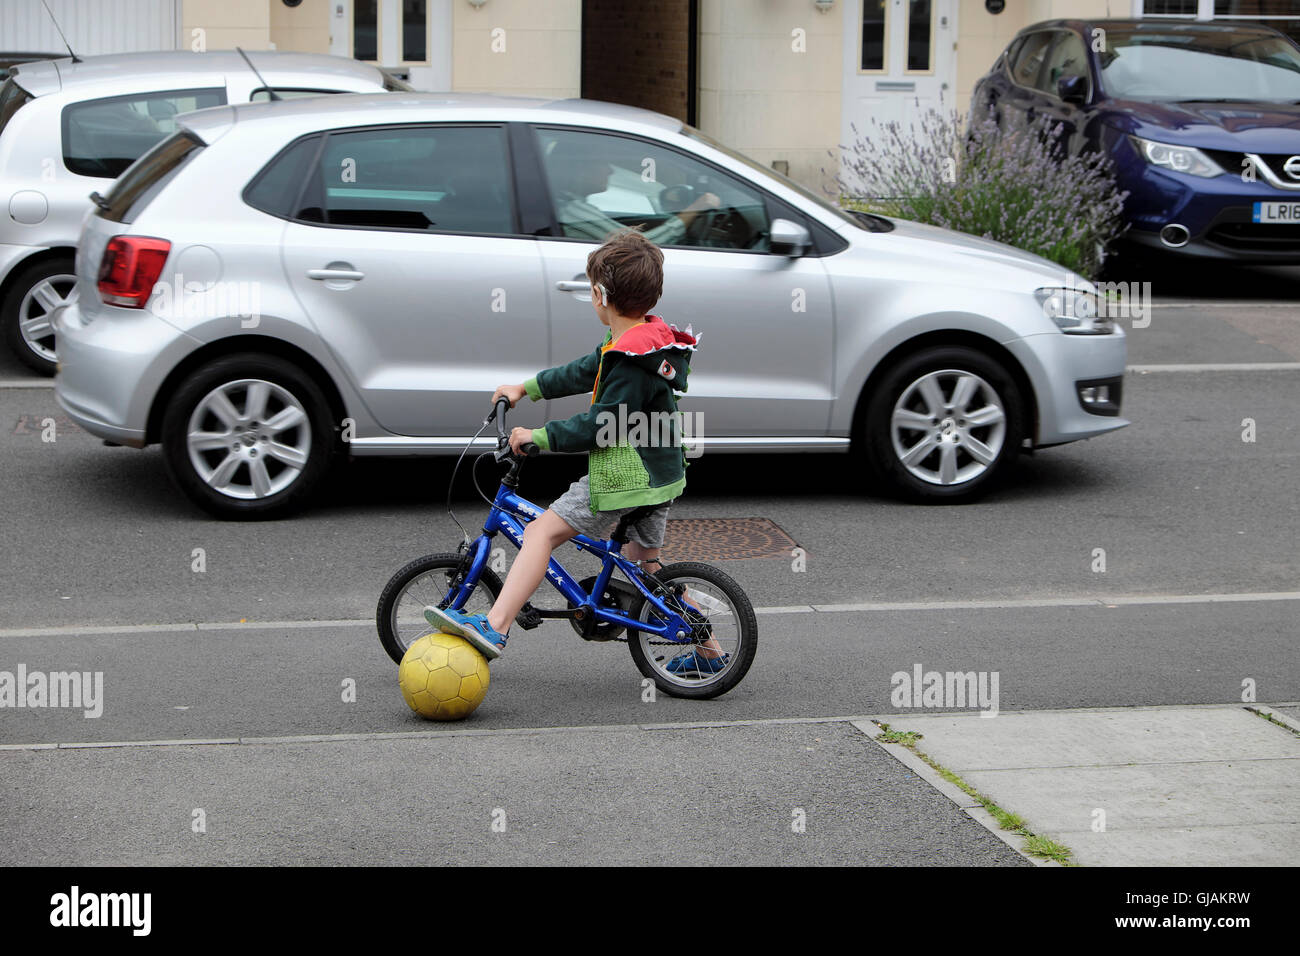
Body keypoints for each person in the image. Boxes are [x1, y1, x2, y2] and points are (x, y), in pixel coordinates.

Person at [425, 229, 725, 675]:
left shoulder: (628, 362)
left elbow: (597, 427)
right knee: (649, 570)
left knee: (539, 534)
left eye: (591, 289)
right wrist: (523, 388)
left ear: (601, 294)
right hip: (659, 474)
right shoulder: (643, 339)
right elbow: (582, 371)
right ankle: (711, 654)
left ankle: (495, 625)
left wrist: (537, 437)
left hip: (628, 479)